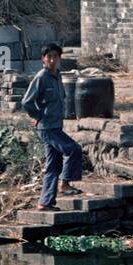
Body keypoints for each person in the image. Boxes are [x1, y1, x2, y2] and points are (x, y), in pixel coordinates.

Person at [23, 42, 83, 210]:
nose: (52, 60)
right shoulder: (41, 77)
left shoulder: (58, 76)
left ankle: (45, 202)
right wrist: (38, 116)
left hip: (56, 126)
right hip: (47, 127)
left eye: (55, 57)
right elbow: (26, 102)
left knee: (52, 166)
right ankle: (65, 184)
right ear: (43, 58)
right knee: (73, 149)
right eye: (49, 57)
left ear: (59, 58)